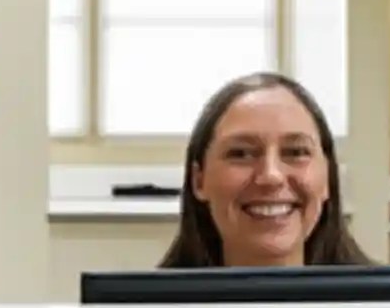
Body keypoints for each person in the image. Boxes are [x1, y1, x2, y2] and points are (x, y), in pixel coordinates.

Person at [158, 71, 374, 268]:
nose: (271, 176)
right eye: (241, 154)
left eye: (296, 152)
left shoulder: (384, 298)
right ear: (198, 181)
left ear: (327, 177)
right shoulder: (148, 299)